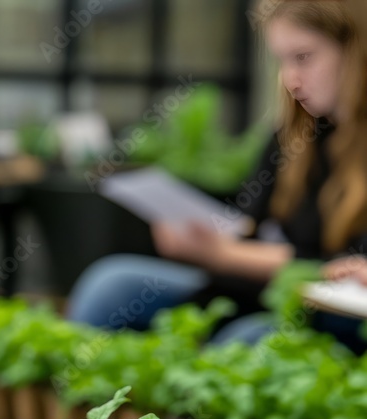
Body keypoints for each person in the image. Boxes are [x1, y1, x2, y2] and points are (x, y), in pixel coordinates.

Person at [67, 0, 367, 349]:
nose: (289, 80)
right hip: (254, 289)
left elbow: (337, 268)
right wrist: (197, 232)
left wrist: (222, 255)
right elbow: (247, 225)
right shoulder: (294, 136)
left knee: (243, 341)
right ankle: (77, 400)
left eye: (303, 57)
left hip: (327, 314)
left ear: (356, 49)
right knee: (111, 284)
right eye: (281, 61)